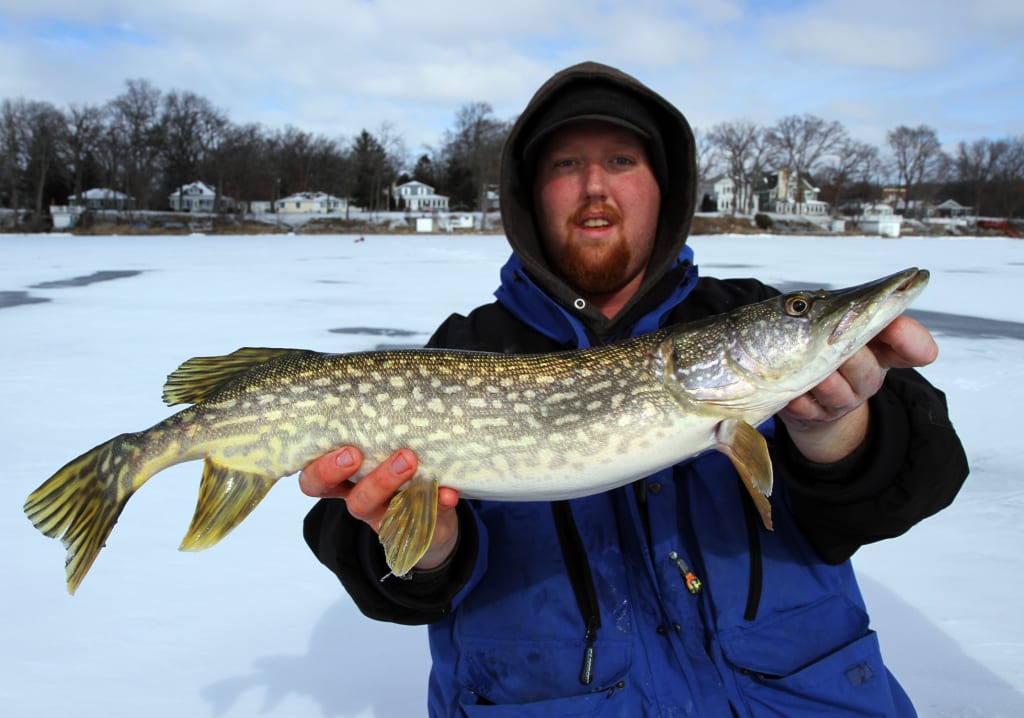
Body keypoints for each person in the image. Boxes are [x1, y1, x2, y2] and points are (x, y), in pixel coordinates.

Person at [301, 61, 969, 716]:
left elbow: (917, 484)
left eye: (621, 160)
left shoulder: (740, 308)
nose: (595, 185)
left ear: (663, 187)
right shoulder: (464, 355)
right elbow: (367, 566)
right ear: (533, 194)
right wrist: (429, 550)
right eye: (565, 164)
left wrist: (837, 433)